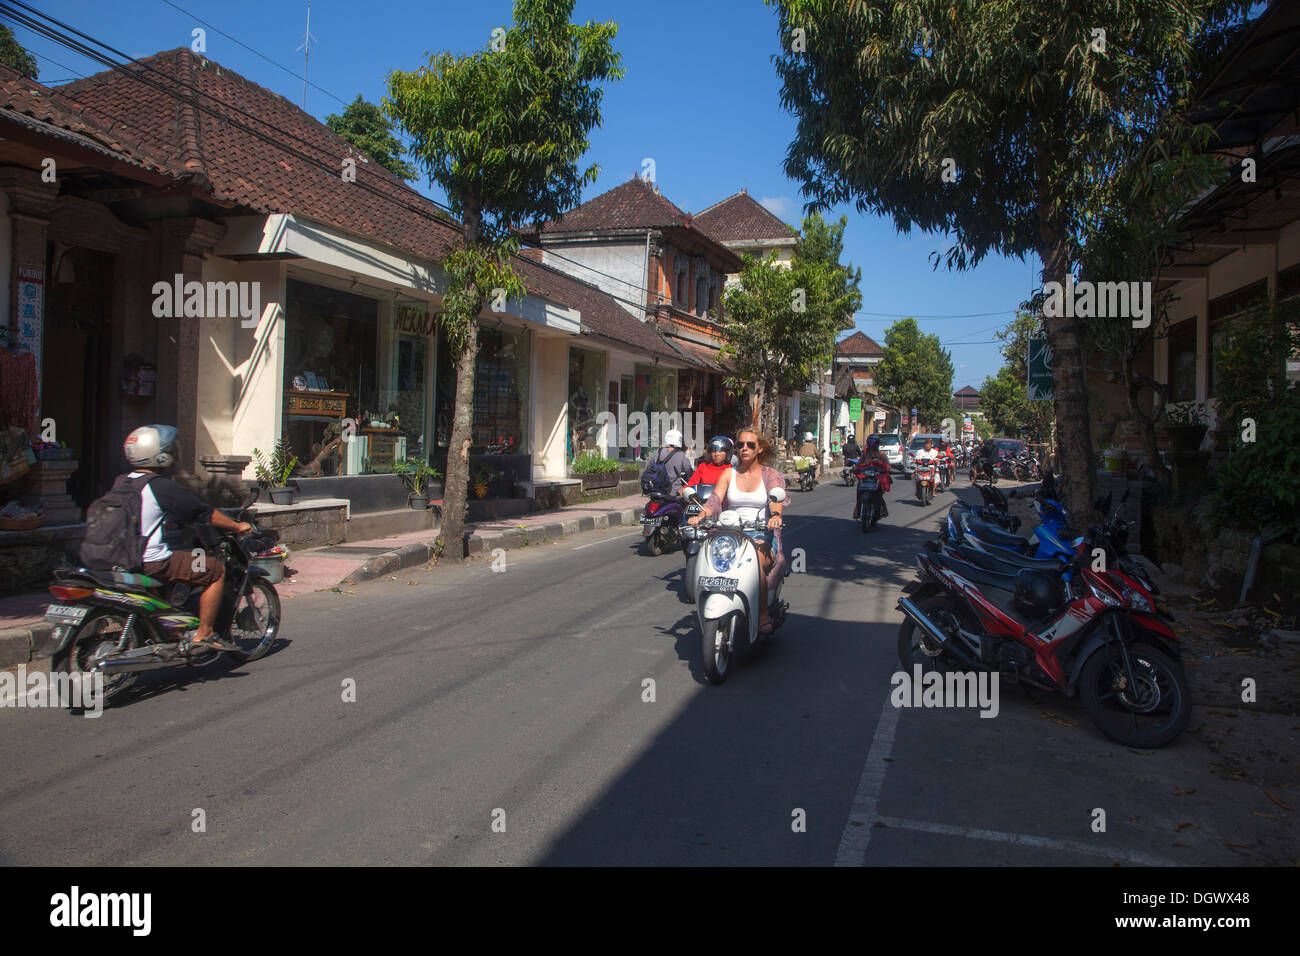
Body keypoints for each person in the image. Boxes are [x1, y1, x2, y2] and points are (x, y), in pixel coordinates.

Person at [122, 425, 251, 652]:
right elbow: (203, 512)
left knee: (184, 558)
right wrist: (236, 525)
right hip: (151, 560)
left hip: (121, 557)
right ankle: (205, 633)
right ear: (161, 455)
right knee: (212, 570)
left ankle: (171, 628)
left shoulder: (123, 482)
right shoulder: (161, 486)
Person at [687, 429, 786, 634]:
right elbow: (714, 500)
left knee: (756, 560)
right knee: (706, 555)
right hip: (729, 533)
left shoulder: (771, 475)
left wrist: (775, 517)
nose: (744, 448)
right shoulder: (729, 473)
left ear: (759, 448)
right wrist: (701, 515)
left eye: (750, 445)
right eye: (741, 445)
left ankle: (763, 614)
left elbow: (776, 501)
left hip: (761, 534)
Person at [642, 428, 694, 494]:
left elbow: (647, 469)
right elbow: (690, 473)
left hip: (656, 490)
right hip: (674, 492)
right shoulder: (682, 455)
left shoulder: (657, 453)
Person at [852, 434, 891, 519]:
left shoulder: (882, 455)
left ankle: (883, 508)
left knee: (879, 493)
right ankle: (858, 510)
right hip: (866, 477)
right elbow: (859, 465)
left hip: (877, 478)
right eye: (871, 443)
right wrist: (856, 469)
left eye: (874, 443)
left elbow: (888, 466)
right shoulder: (865, 455)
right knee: (859, 491)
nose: (872, 445)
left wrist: (879, 463)